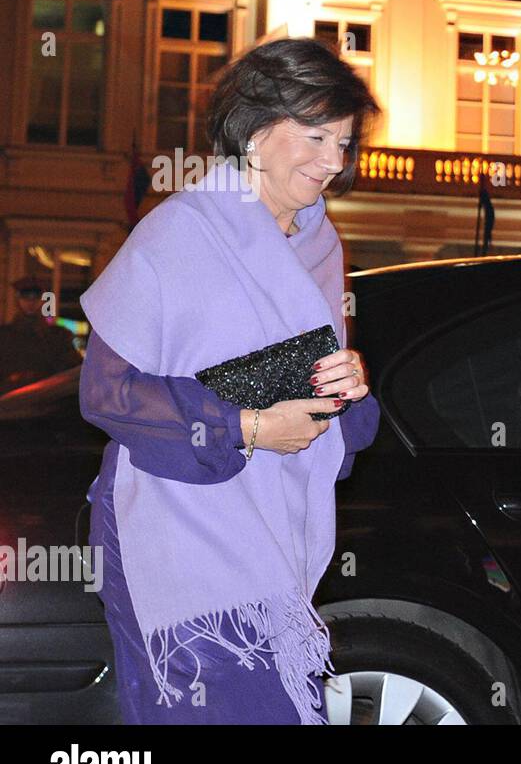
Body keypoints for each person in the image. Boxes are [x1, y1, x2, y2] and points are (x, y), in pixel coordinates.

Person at [78, 38, 382, 724]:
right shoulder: (178, 232)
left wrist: (348, 383)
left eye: (343, 142)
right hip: (175, 529)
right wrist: (248, 428)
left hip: (272, 531)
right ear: (254, 130)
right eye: (315, 136)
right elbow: (106, 390)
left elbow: (319, 406)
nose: (333, 161)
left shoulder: (320, 242)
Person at [0, 275, 82, 394]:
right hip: (10, 399)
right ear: (17, 299)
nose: (31, 302)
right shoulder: (4, 336)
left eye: (36, 297)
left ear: (42, 300)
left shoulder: (58, 337)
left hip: (45, 399)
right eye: (26, 297)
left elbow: (70, 371)